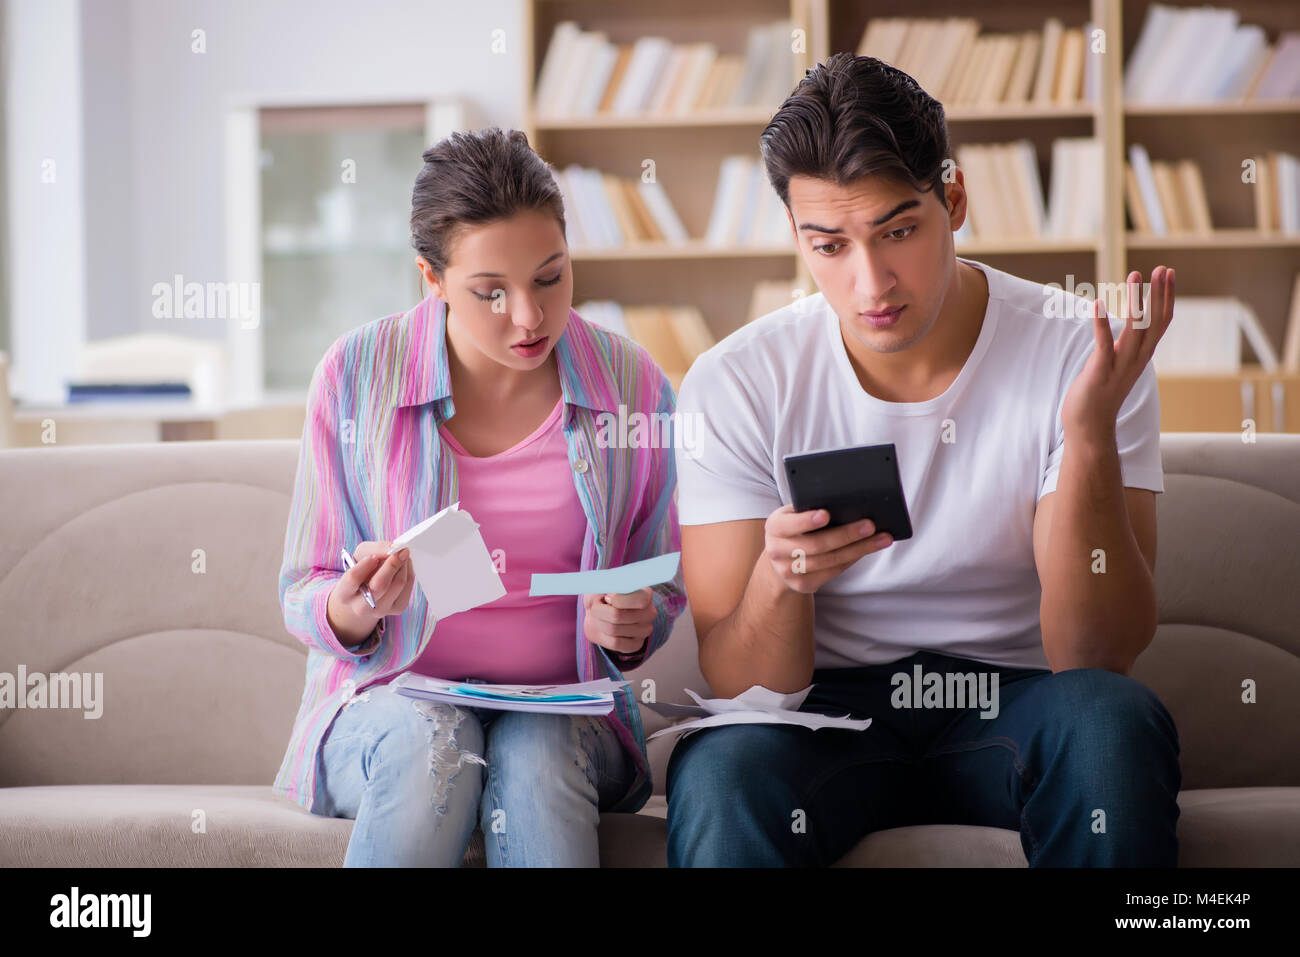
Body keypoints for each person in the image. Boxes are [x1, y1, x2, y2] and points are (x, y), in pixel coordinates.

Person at [666, 53, 1180, 867]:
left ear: (956, 199)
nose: (870, 282)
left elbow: (1096, 655)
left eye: (898, 230)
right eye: (828, 245)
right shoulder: (736, 381)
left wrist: (1085, 434)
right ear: (797, 236)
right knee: (724, 767)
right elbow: (742, 688)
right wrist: (781, 580)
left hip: (1015, 695)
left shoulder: (1079, 353)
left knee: (1110, 722)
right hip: (826, 712)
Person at [271, 127, 686, 867]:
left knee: (535, 751)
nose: (528, 317)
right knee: (435, 738)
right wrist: (357, 607)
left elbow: (666, 578)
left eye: (550, 277)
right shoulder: (355, 375)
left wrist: (636, 619)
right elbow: (305, 588)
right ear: (432, 280)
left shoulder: (632, 385)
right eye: (489, 292)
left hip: (565, 712)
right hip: (390, 707)